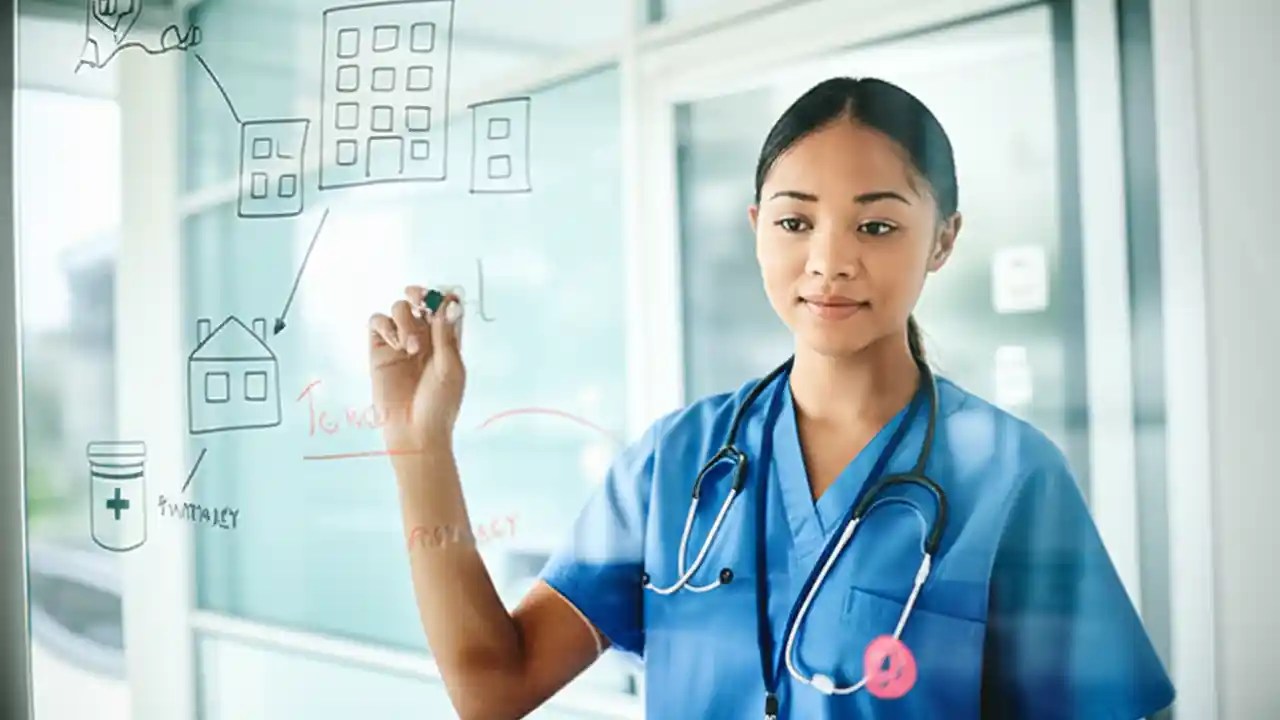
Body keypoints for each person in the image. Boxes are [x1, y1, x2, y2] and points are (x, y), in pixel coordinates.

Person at [367, 77, 1176, 719]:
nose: (829, 262)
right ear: (757, 225)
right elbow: (492, 686)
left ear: (943, 239)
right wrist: (419, 444)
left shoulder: (1008, 475)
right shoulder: (675, 463)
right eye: (795, 223)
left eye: (877, 227)